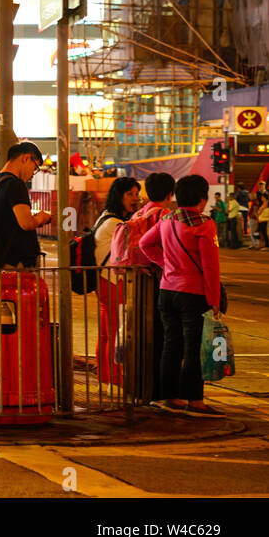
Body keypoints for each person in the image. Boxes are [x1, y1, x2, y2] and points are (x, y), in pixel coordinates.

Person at [139, 174, 224, 417]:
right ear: (202, 198)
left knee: (171, 345)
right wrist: (214, 300)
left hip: (167, 291)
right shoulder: (204, 224)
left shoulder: (167, 219)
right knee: (194, 347)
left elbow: (145, 244)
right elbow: (210, 267)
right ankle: (195, 401)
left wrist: (165, 264)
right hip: (193, 294)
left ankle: (169, 396)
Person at [92, 176, 141, 382]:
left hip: (104, 281)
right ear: (118, 196)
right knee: (114, 333)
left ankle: (106, 373)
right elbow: (134, 251)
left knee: (106, 332)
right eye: (130, 194)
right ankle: (113, 375)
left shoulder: (106, 217)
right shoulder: (115, 223)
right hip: (111, 282)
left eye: (137, 194)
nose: (135, 198)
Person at [0, 142, 54, 268]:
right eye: (35, 168)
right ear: (26, 158)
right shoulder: (15, 185)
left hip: (1, 259)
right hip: (14, 264)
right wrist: (41, 218)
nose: (32, 175)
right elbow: (26, 223)